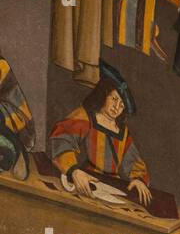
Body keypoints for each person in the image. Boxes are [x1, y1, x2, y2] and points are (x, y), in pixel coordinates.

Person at [49, 61, 151, 204]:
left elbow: (135, 163)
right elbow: (62, 137)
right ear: (104, 95)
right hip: (86, 181)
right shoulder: (87, 116)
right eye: (114, 99)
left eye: (122, 105)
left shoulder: (123, 131)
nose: (117, 107)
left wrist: (139, 180)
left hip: (113, 186)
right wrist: (74, 171)